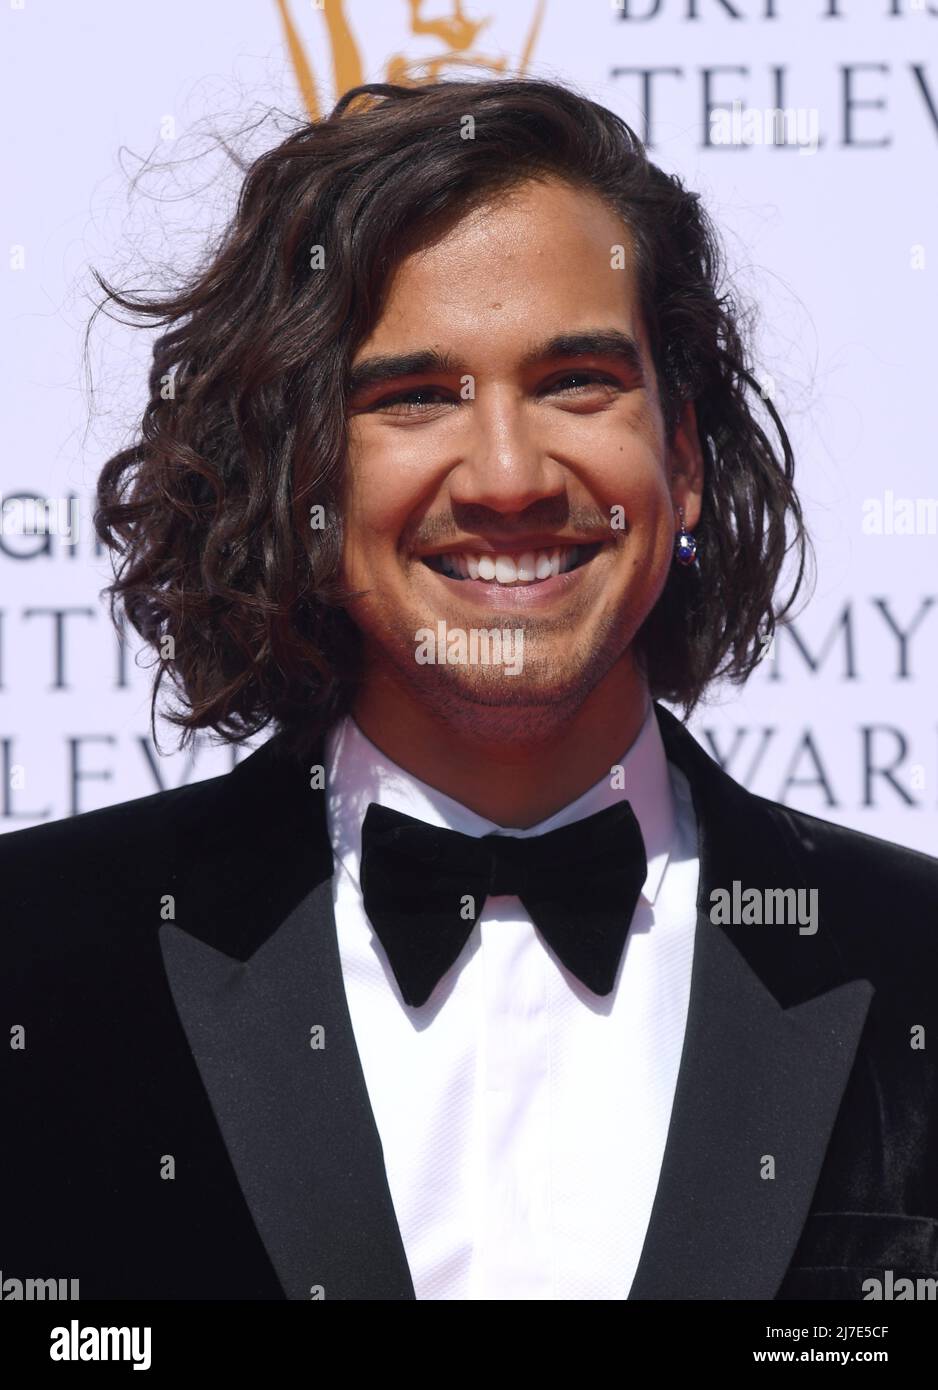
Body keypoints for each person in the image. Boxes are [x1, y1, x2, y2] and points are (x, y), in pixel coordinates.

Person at [2, 76, 936, 1302]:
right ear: (298, 476)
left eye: (574, 383)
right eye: (412, 398)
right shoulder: (39, 960)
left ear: (684, 459)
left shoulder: (910, 962)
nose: (506, 475)